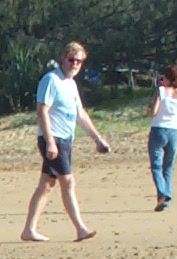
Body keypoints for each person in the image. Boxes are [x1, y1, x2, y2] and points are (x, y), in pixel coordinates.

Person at [21, 42, 111, 242]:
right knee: (67, 181)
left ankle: (29, 229)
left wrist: (97, 139)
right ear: (63, 58)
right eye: (71, 59)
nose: (75, 64)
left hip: (65, 139)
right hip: (53, 139)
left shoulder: (70, 83)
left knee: (47, 185)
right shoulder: (51, 80)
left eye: (79, 61)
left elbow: (80, 114)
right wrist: (50, 142)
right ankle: (80, 228)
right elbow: (42, 111)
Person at [147, 64, 177, 210]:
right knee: (168, 168)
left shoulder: (161, 91)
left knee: (156, 167)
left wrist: (149, 107)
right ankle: (164, 200)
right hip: (174, 131)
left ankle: (163, 194)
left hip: (158, 129)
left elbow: (154, 111)